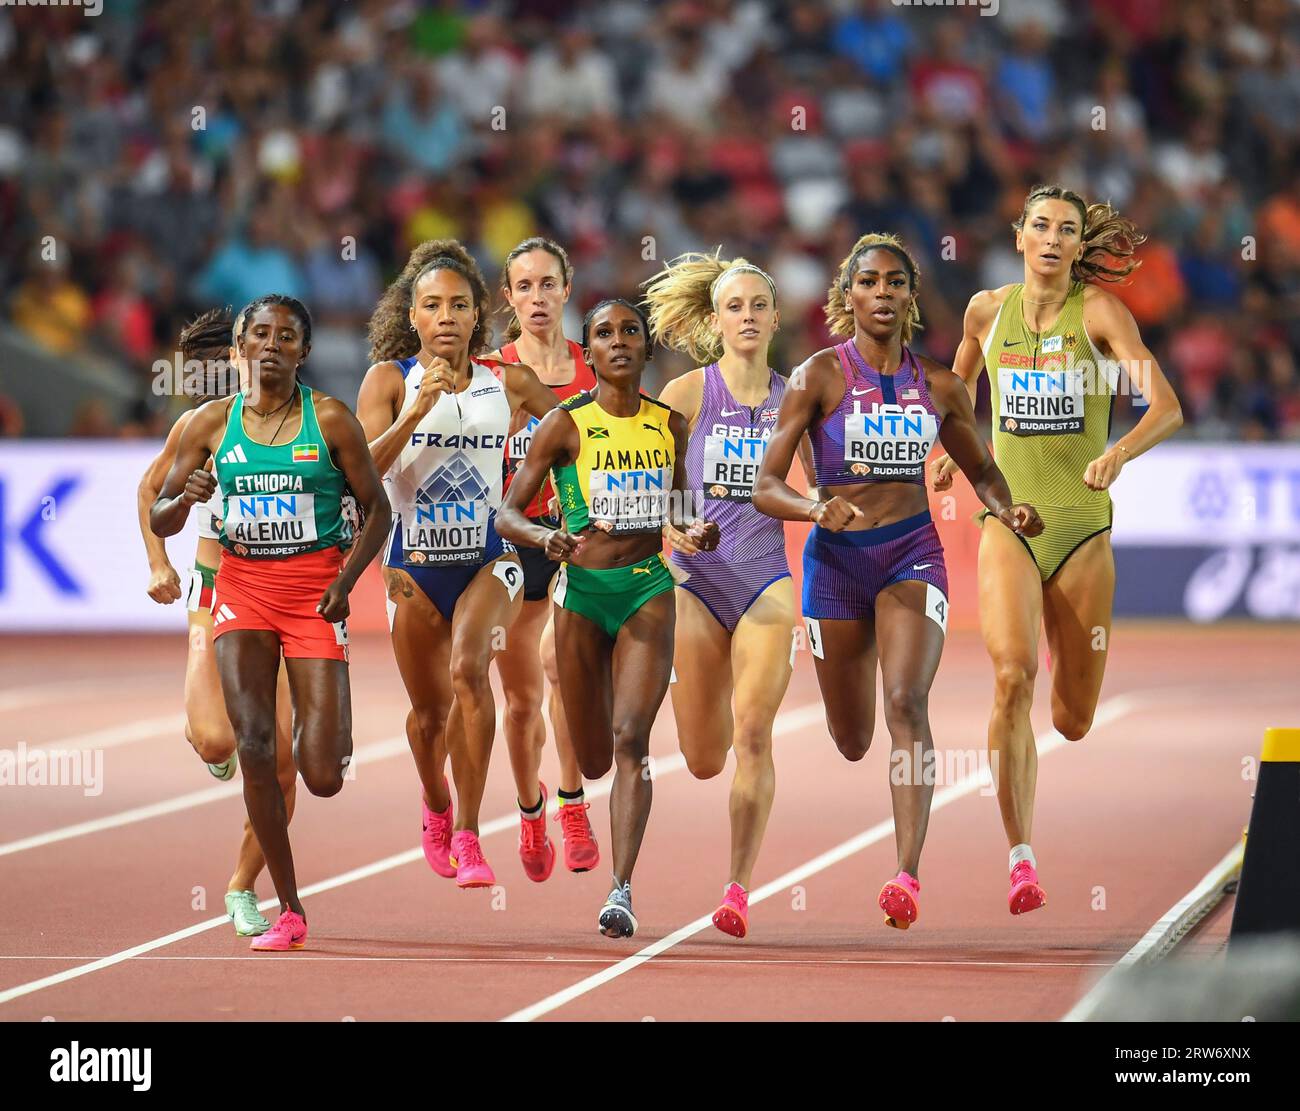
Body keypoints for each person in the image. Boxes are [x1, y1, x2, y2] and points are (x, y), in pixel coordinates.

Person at [754, 234, 1042, 930]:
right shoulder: (817, 376)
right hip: (835, 561)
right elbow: (765, 484)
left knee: (907, 701)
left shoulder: (939, 383)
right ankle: (878, 789)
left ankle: (906, 871)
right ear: (846, 296)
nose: (882, 293)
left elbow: (981, 468)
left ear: (911, 296)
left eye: (895, 283)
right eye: (869, 282)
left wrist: (1009, 508)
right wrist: (813, 505)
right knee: (852, 737)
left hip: (912, 552)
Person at [931, 185, 1182, 914]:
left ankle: (1065, 660)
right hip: (1011, 517)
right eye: (1039, 225)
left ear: (1078, 246)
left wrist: (1120, 453)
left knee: (1072, 717)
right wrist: (956, 447)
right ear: (1019, 236)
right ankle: (1020, 857)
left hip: (1082, 527)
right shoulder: (987, 309)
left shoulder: (1099, 313)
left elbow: (1166, 406)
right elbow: (960, 384)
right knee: (1010, 677)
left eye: (1065, 230)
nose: (1051, 238)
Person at [151, 294, 391, 951]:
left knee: (322, 773)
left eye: (286, 337)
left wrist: (346, 581)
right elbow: (161, 511)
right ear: (240, 344)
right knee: (256, 746)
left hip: (315, 596)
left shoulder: (333, 420)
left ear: (303, 352)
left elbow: (379, 510)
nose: (272, 345)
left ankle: (327, 737)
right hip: (241, 591)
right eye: (260, 334)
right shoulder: (209, 423)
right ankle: (285, 905)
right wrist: (183, 500)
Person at [496, 299, 719, 938]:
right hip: (581, 597)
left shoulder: (669, 425)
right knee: (593, 757)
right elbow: (507, 514)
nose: (618, 341)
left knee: (631, 742)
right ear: (586, 352)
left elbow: (680, 508)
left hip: (648, 589)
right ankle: (568, 798)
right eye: (603, 334)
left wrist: (691, 529)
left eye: (630, 332)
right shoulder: (565, 425)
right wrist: (546, 541)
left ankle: (620, 889)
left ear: (646, 349)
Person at [357, 240, 558, 888]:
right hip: (413, 567)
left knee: (471, 670)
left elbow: (576, 441)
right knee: (427, 717)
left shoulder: (510, 382)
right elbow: (364, 475)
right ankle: (437, 802)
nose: (445, 316)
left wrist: (548, 508)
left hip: (487, 557)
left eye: (459, 305)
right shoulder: (389, 382)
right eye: (432, 305)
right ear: (412, 315)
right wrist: (417, 411)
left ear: (478, 316)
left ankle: (470, 832)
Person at [642, 251, 807, 939]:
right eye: (733, 306)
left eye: (757, 306)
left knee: (753, 734)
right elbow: (646, 488)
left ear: (774, 317)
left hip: (766, 579)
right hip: (695, 585)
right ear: (716, 318)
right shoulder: (683, 395)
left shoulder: (795, 398)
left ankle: (738, 887)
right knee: (705, 755)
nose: (746, 316)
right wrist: (674, 526)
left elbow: (829, 480)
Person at [136, 308, 296, 937]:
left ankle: (241, 886)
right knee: (217, 739)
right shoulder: (206, 424)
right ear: (231, 357)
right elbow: (150, 491)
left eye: (281, 342)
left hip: (289, 598)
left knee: (281, 762)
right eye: (251, 345)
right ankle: (213, 745)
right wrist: (158, 563)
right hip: (218, 589)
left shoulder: (310, 421)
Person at [481, 237, 599, 876]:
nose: (537, 297)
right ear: (509, 297)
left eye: (547, 284)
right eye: (524, 287)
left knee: (563, 669)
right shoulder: (489, 374)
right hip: (510, 544)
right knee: (521, 699)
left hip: (575, 544)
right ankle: (530, 813)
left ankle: (573, 801)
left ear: (566, 287)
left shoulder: (593, 369)